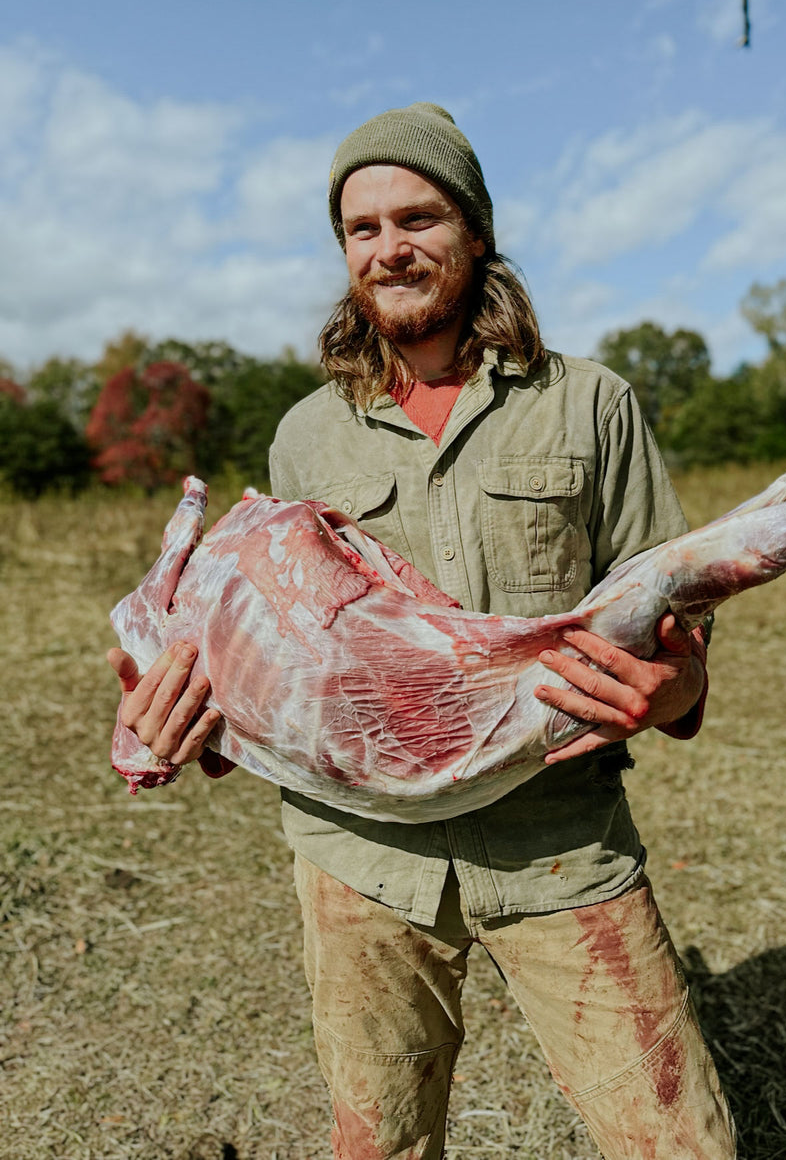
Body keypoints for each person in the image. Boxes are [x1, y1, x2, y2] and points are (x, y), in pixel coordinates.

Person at [109, 103, 736, 1160]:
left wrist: (672, 691)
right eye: (363, 228)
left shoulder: (589, 405)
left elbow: (682, 617)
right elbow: (273, 660)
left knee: (678, 1143)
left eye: (419, 217)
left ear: (475, 231)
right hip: (359, 860)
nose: (390, 248)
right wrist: (178, 715)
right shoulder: (304, 435)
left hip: (556, 846)